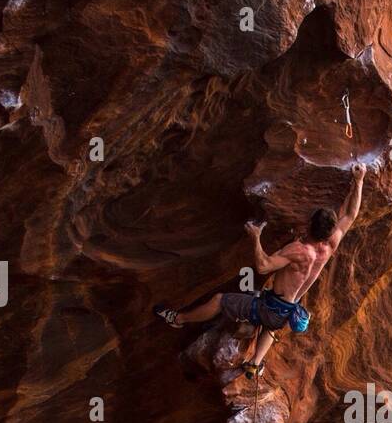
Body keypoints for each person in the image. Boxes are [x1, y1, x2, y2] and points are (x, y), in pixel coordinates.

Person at [156, 162, 368, 377]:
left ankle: (178, 319)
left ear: (308, 224)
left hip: (270, 309)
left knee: (220, 300)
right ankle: (255, 363)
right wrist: (359, 181)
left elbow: (263, 266)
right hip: (287, 311)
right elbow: (350, 215)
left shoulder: (298, 251)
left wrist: (255, 238)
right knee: (271, 323)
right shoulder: (331, 244)